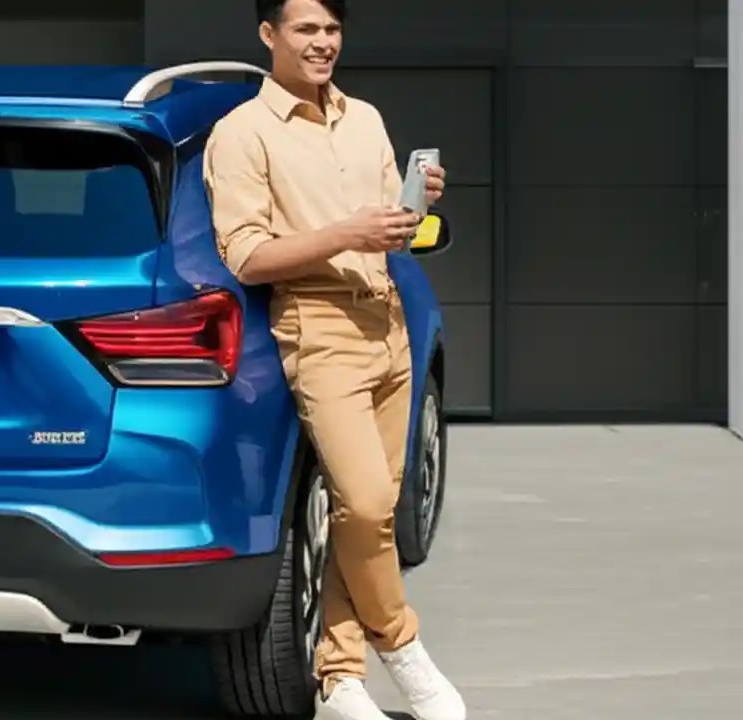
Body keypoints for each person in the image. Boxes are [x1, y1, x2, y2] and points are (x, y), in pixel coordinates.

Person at [202, 1, 466, 719]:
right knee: (367, 499)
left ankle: (341, 679)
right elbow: (248, 256)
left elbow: (391, 234)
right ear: (269, 36)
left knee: (367, 518)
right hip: (318, 327)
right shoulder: (241, 134)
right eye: (305, 30)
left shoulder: (366, 119)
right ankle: (404, 647)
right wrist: (344, 231)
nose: (322, 44)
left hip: (387, 323)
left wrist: (413, 211)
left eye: (331, 30)